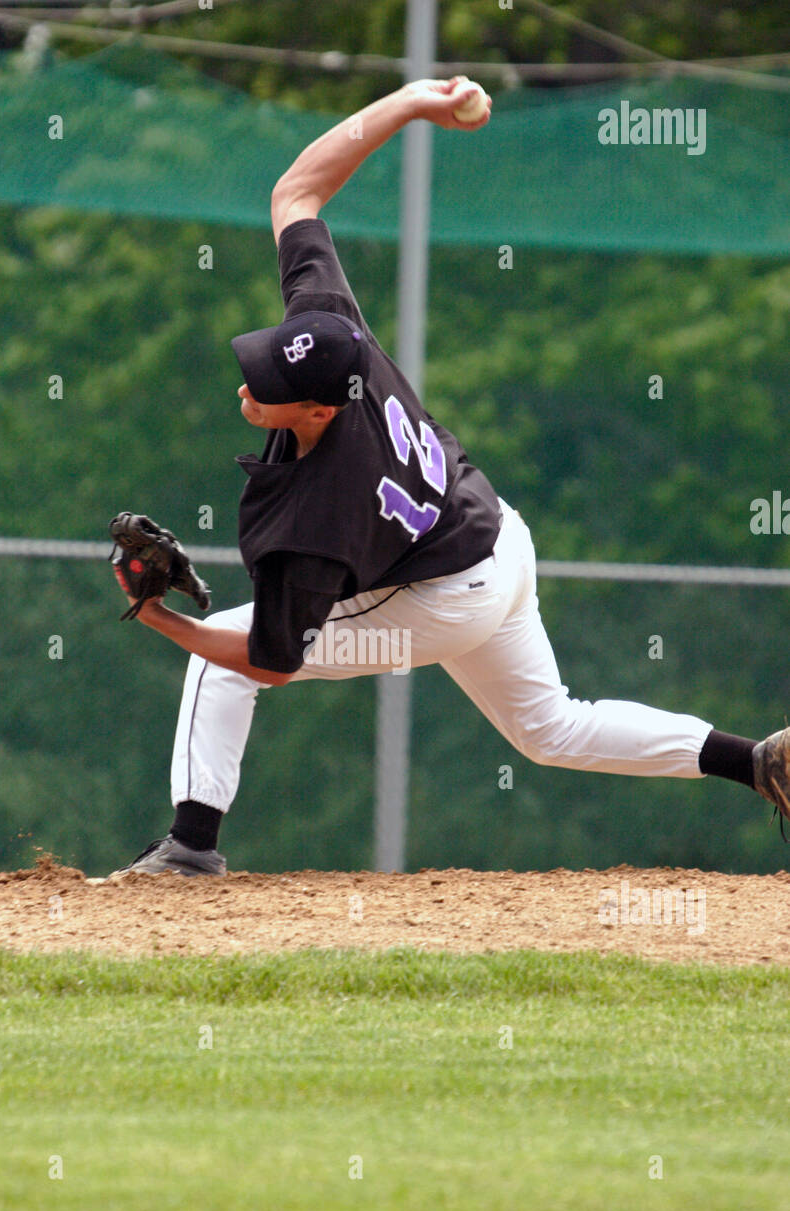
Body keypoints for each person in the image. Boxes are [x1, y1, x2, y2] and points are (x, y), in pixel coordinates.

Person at [114, 75, 790, 877]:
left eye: (270, 387)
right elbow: (298, 190)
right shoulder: (332, 334)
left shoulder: (319, 512)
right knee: (550, 729)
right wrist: (408, 102)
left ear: (322, 412)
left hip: (439, 597)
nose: (250, 384)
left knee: (211, 660)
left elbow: (269, 660)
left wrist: (155, 617)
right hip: (495, 538)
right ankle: (759, 761)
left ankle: (190, 851)